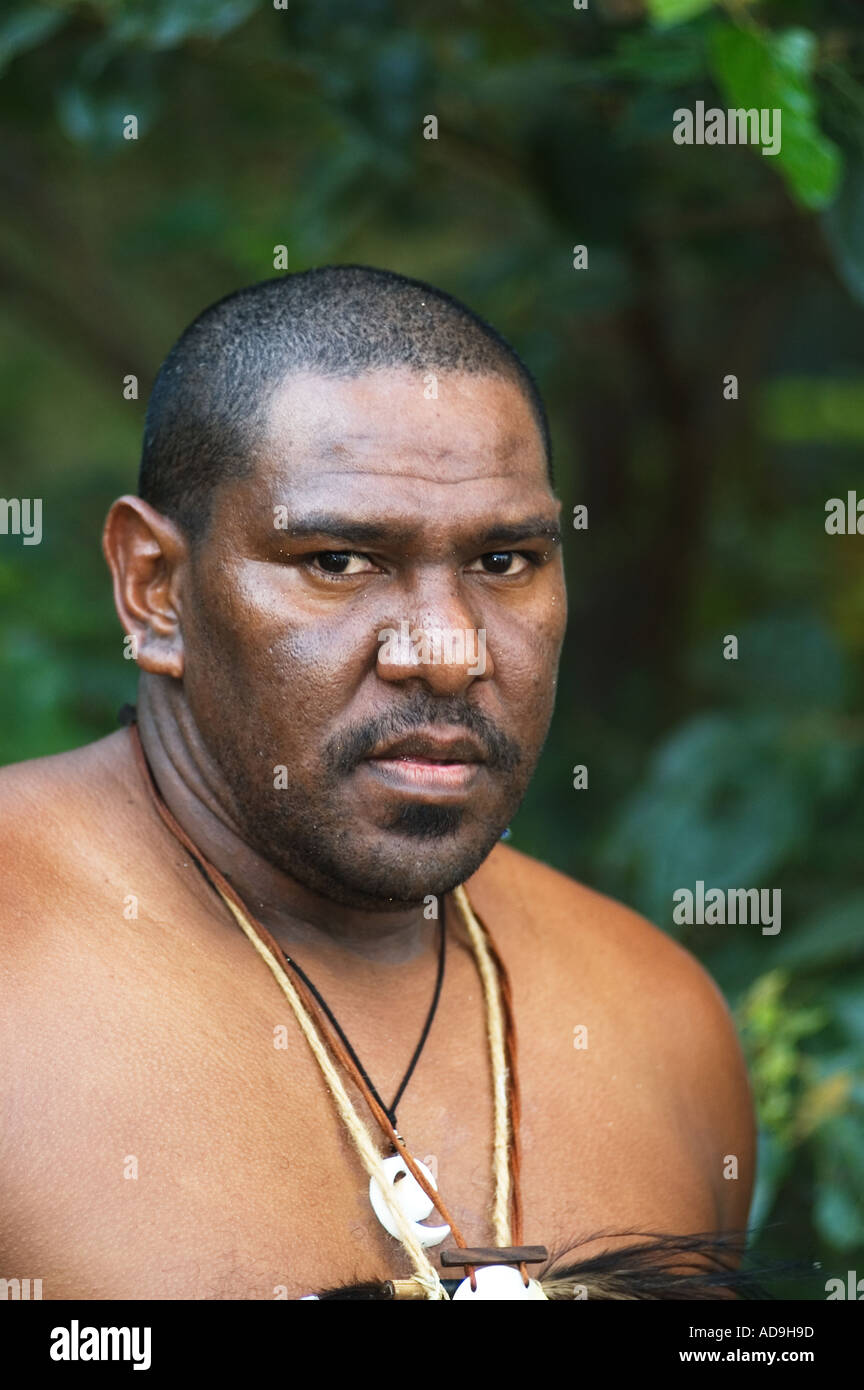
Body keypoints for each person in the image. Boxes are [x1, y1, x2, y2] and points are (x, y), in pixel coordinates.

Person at [0, 266, 756, 1300]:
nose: (447, 651)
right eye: (342, 559)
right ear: (155, 587)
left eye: (504, 561)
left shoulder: (660, 1018)